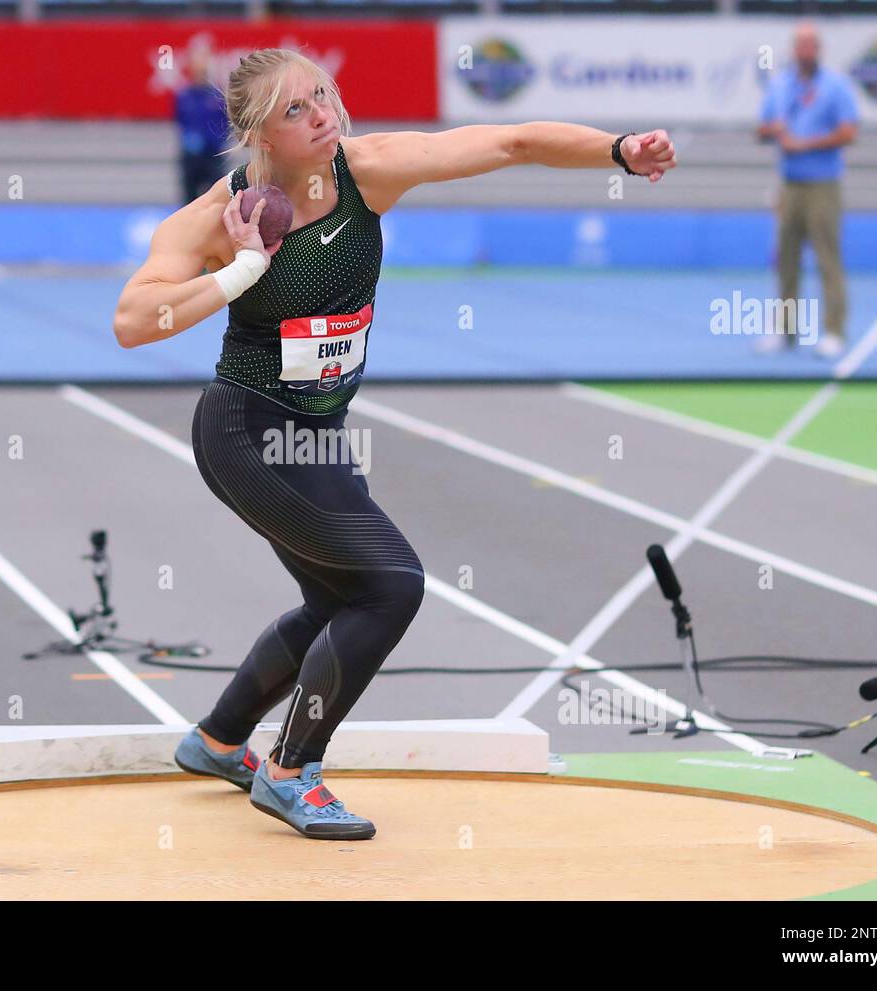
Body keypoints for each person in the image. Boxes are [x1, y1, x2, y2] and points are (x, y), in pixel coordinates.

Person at [114, 48, 676, 840]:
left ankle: (216, 740)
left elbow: (510, 142)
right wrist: (241, 271)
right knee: (391, 585)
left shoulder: (366, 172)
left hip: (315, 435)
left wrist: (617, 151)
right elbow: (134, 323)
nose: (323, 117)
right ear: (258, 134)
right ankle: (289, 770)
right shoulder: (219, 216)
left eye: (323, 97)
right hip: (245, 429)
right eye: (297, 111)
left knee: (336, 597)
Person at [756, 21, 860, 358]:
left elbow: (848, 132)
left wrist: (807, 144)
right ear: (793, 49)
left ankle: (834, 330)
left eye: (811, 44)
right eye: (800, 44)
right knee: (786, 260)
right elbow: (761, 129)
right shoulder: (781, 85)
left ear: (819, 49)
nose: (805, 50)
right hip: (789, 184)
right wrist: (776, 130)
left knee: (827, 258)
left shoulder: (835, 86)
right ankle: (785, 331)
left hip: (822, 183)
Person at [174, 47, 231, 205]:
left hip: (213, 156)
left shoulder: (218, 96)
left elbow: (226, 124)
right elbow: (181, 121)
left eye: (203, 71)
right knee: (188, 201)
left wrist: (215, 143)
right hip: (191, 157)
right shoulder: (184, 96)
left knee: (218, 201)